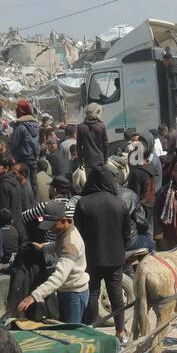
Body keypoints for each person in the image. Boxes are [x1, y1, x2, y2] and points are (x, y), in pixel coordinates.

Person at [75, 168, 129, 339]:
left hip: (91, 257)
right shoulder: (119, 203)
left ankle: (91, 331)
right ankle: (121, 331)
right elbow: (127, 232)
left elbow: (77, 232)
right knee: (116, 293)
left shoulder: (83, 203)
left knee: (93, 292)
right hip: (115, 257)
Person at [18, 201, 89, 322]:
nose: (50, 230)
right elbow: (58, 245)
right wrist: (44, 247)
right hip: (66, 291)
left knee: (71, 336)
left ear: (64, 220)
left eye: (52, 225)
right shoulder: (64, 232)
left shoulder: (71, 243)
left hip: (74, 295)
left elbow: (59, 277)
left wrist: (34, 296)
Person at [0, 156, 28, 243]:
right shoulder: (15, 181)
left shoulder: (4, 185)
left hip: (11, 229)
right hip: (19, 226)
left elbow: (4, 211)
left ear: (6, 168)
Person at [78, 103, 109, 172]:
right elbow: (106, 145)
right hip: (100, 161)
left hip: (88, 162)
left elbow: (79, 147)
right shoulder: (101, 126)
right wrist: (105, 160)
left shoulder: (81, 127)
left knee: (90, 182)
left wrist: (80, 161)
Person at [9, 99, 40, 166]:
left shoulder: (20, 127)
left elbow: (14, 144)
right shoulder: (36, 125)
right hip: (34, 158)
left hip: (23, 159)